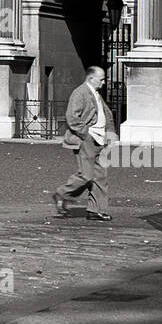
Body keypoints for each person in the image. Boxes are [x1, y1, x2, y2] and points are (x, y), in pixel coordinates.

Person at [53, 65, 117, 221]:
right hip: (87, 139)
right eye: (101, 80)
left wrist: (110, 132)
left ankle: (96, 210)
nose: (103, 83)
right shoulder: (80, 93)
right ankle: (62, 194)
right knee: (86, 175)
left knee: (101, 177)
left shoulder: (95, 94)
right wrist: (86, 134)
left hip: (99, 139)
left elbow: (106, 114)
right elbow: (72, 118)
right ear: (91, 78)